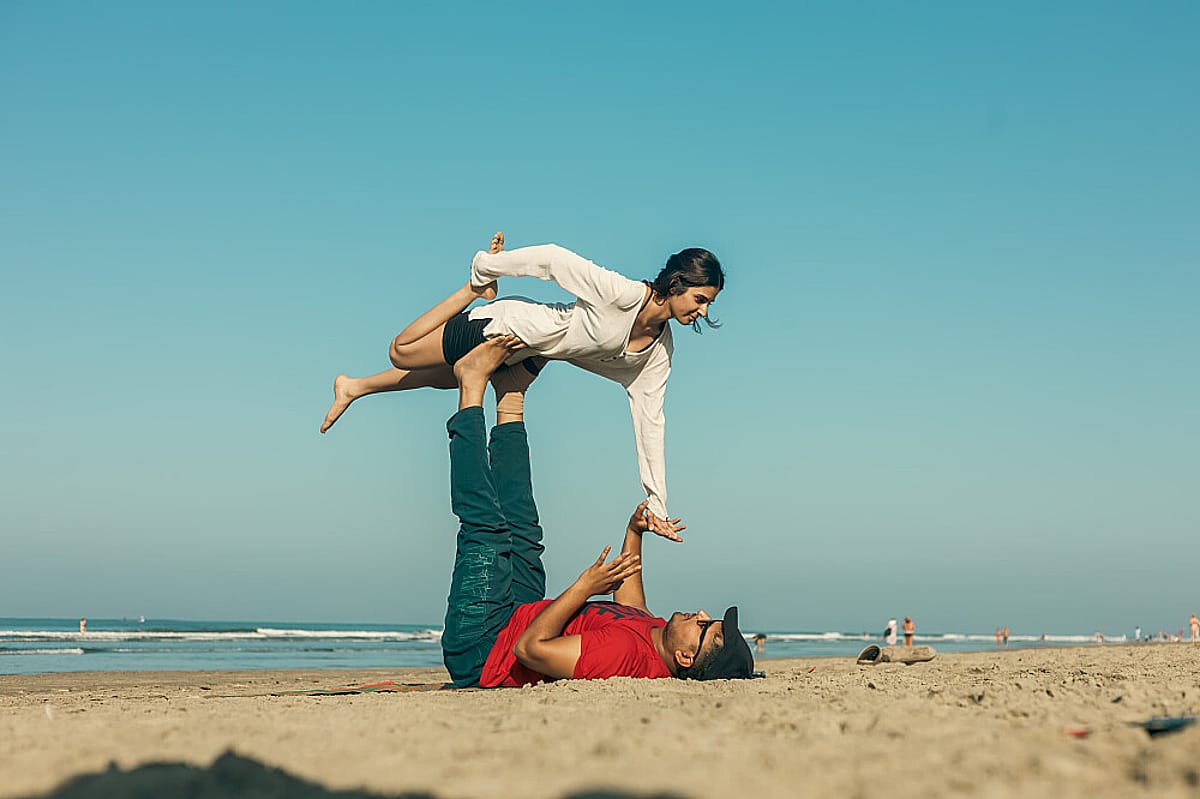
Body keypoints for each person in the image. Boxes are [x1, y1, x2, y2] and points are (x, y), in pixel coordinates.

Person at [321, 233, 725, 539]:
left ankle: (354, 387)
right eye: (700, 298)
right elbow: (552, 259)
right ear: (676, 284)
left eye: (708, 303)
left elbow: (650, 423)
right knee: (402, 351)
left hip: (526, 354)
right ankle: (474, 290)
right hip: (505, 328)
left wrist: (658, 503)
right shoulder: (624, 295)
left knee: (443, 379)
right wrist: (487, 267)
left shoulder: (657, 354)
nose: (702, 311)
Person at [439, 336, 754, 688]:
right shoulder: (652, 631)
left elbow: (529, 649)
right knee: (525, 531)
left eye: (706, 629)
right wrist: (635, 530)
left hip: (484, 647)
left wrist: (585, 587)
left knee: (488, 530)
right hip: (519, 611)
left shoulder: (625, 655)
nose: (702, 615)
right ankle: (511, 396)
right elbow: (629, 601)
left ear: (684, 658)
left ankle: (469, 384)